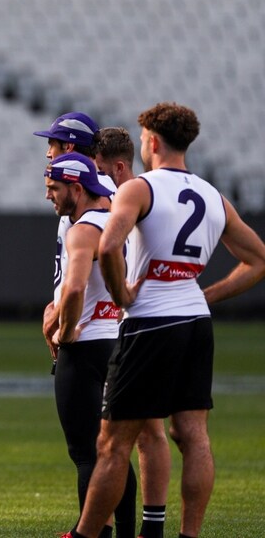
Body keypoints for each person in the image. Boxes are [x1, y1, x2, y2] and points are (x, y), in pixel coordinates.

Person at [68, 102, 265, 538]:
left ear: (152, 141)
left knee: (112, 443)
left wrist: (122, 296)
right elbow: (258, 260)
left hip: (150, 322)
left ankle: (84, 534)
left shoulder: (138, 188)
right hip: (195, 322)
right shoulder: (213, 195)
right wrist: (205, 295)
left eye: (143, 139)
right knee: (193, 436)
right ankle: (188, 535)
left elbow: (107, 248)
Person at [41, 153, 134, 538]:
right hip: (119, 342)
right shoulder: (117, 219)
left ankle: (92, 533)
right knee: (117, 452)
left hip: (85, 348)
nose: (48, 196)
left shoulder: (81, 230)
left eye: (54, 188)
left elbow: (76, 287)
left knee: (85, 454)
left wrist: (64, 330)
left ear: (76, 188)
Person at [91, 126, 172, 538]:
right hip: (137, 324)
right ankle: (145, 527)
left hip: (133, 325)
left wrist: (122, 295)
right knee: (144, 431)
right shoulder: (131, 198)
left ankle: (108, 528)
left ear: (118, 167)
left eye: (100, 169)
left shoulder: (133, 197)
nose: (94, 176)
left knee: (123, 435)